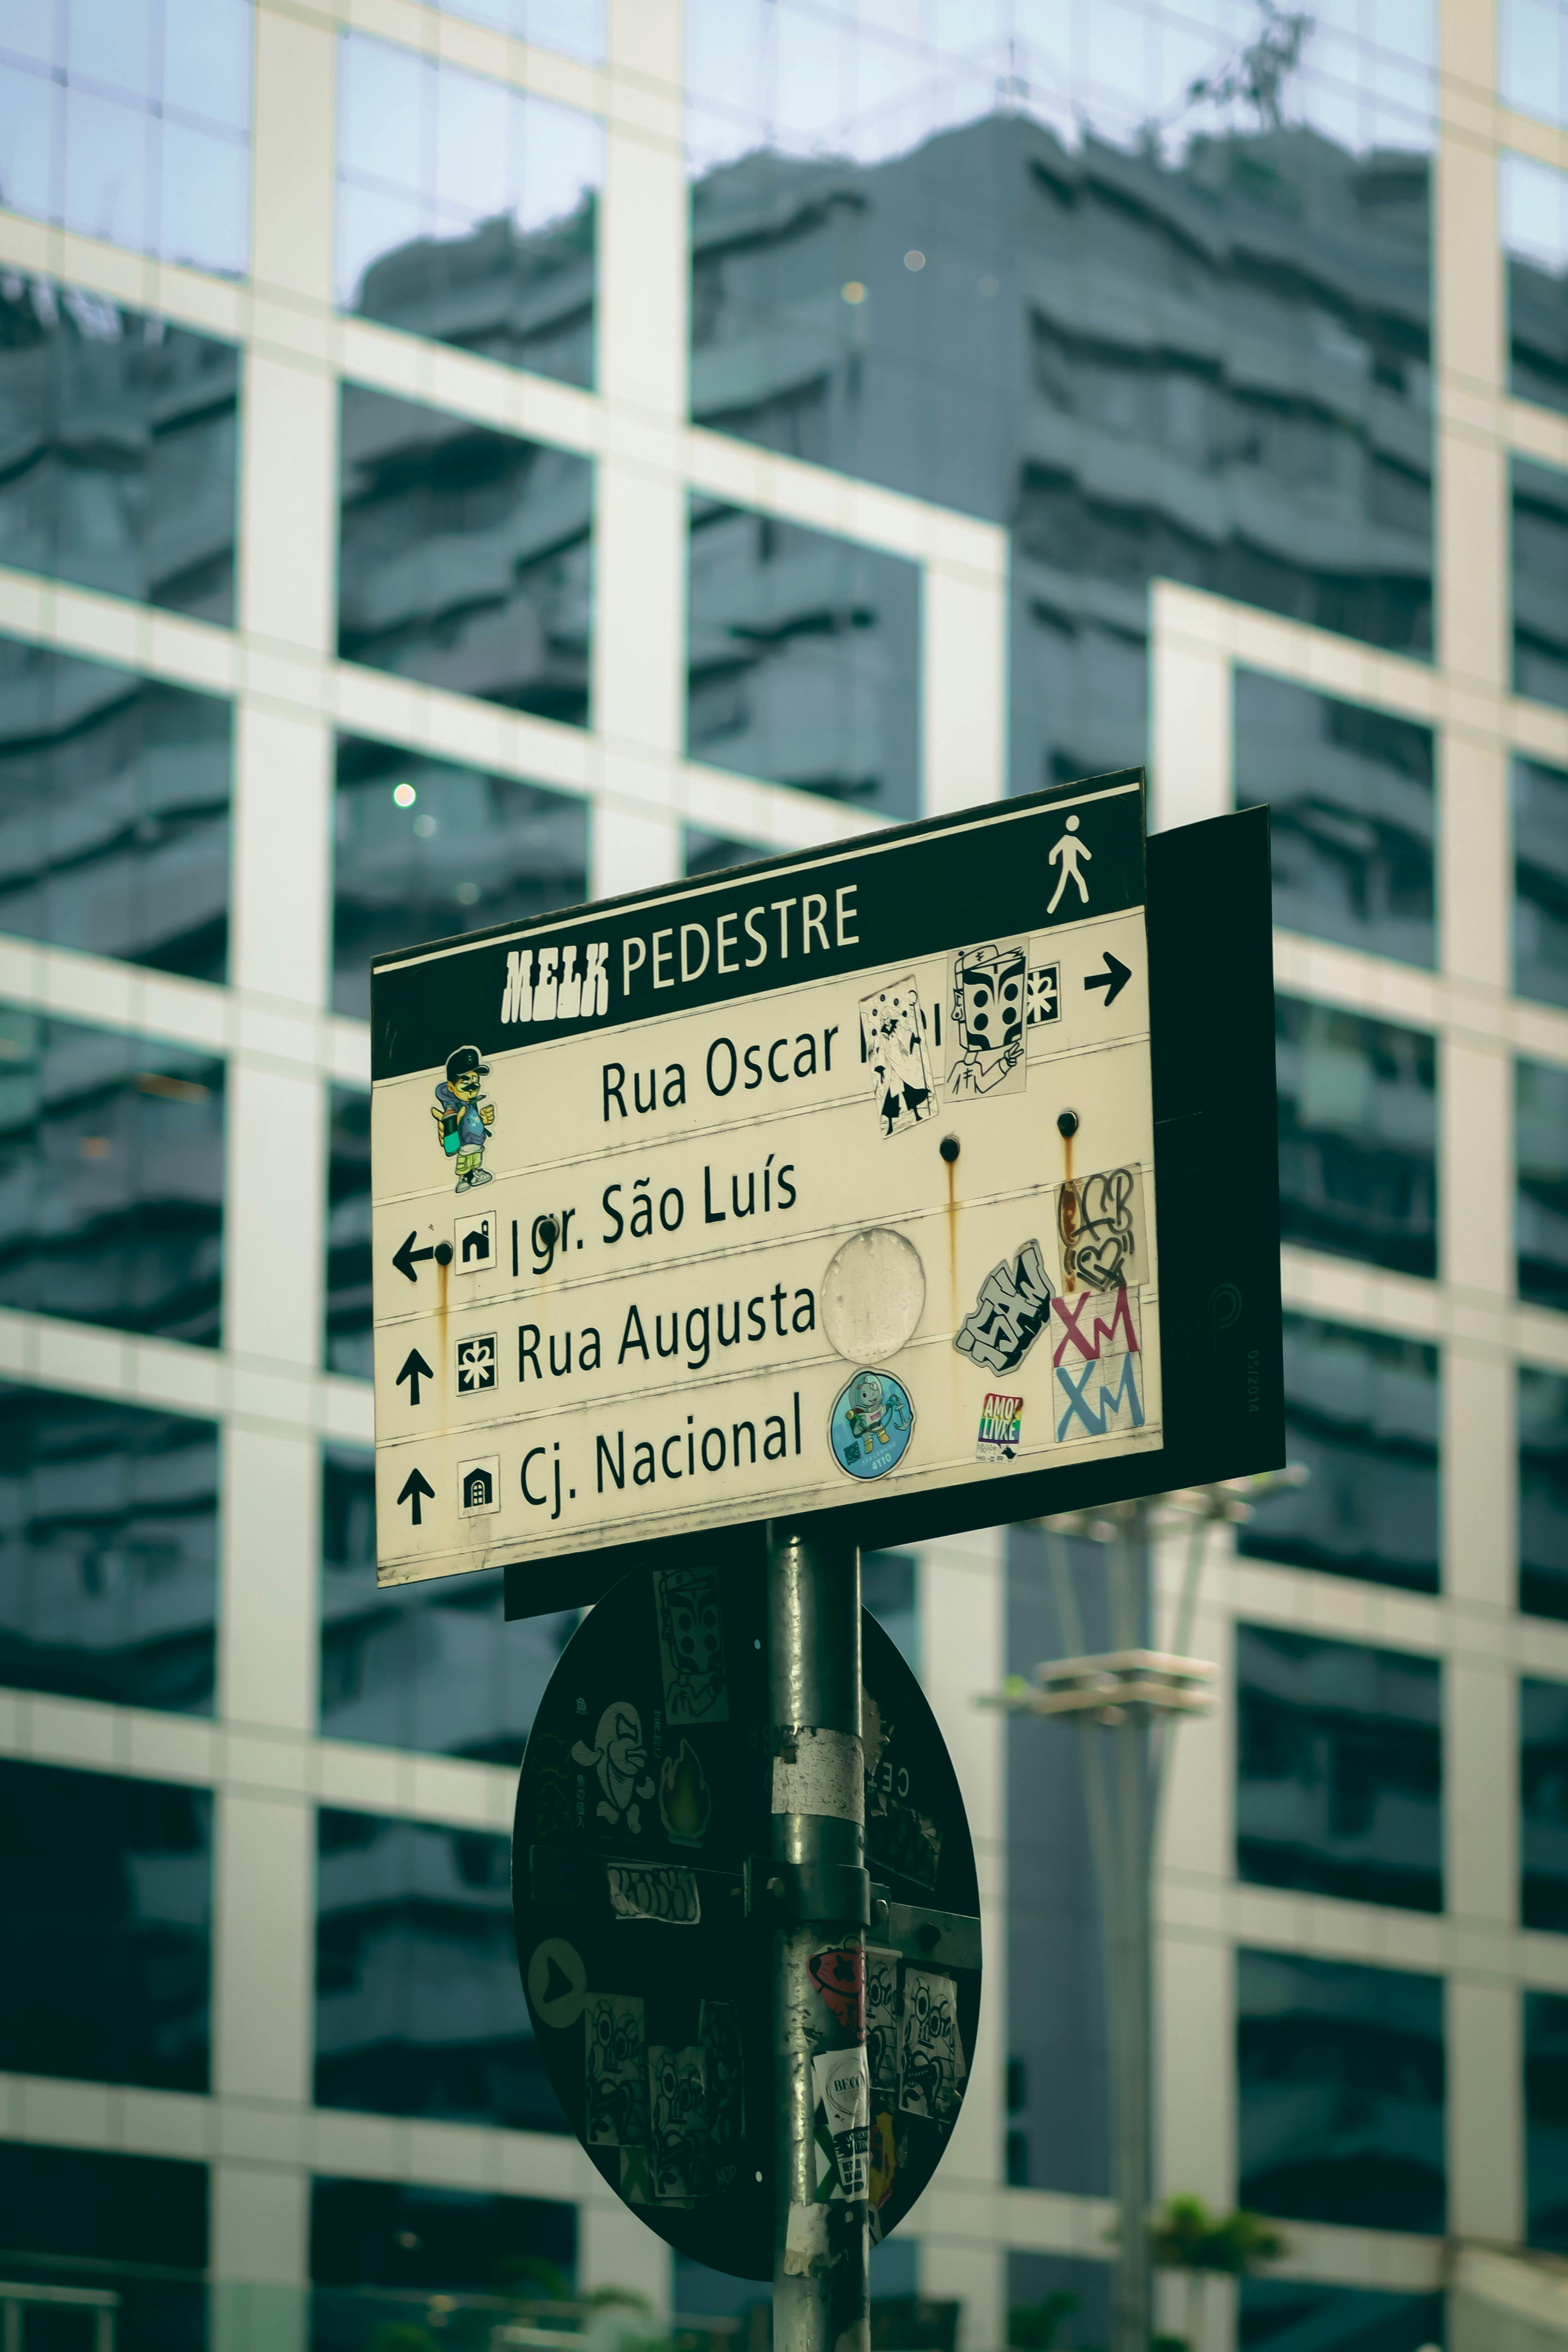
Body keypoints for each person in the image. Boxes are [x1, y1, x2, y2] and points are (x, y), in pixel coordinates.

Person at [432, 1044, 495, 1189]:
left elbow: (473, 1119)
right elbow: (452, 1122)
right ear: (451, 1087)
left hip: (477, 1142)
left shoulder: (472, 1102)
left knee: (476, 1158)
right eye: (465, 1081)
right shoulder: (453, 1106)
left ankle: (477, 1172)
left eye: (475, 1081)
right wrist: (451, 1123)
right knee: (463, 1162)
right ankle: (464, 1179)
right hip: (464, 1144)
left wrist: (484, 1120)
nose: (472, 1086)